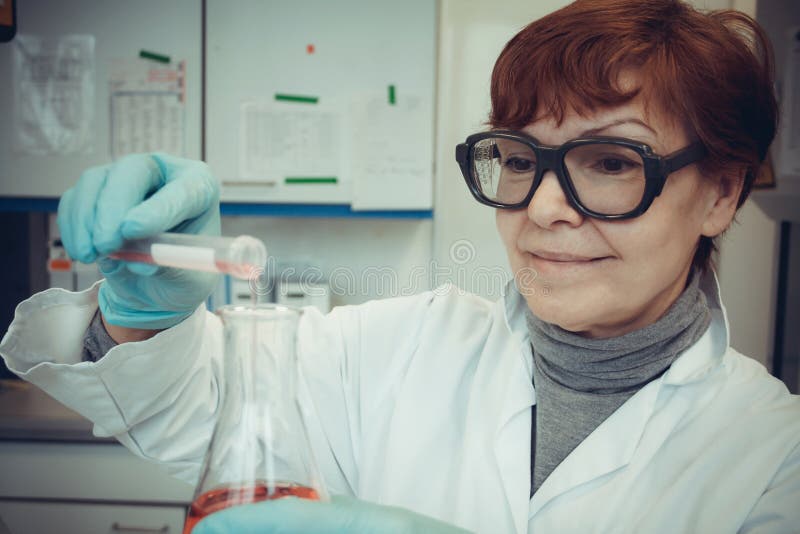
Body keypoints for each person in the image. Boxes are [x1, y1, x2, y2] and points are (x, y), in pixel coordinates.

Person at [2, 0, 798, 532]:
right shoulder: (401, 348)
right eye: (518, 156)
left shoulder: (775, 458)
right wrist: (145, 318)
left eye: (612, 162)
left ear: (722, 193)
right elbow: (199, 413)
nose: (545, 207)